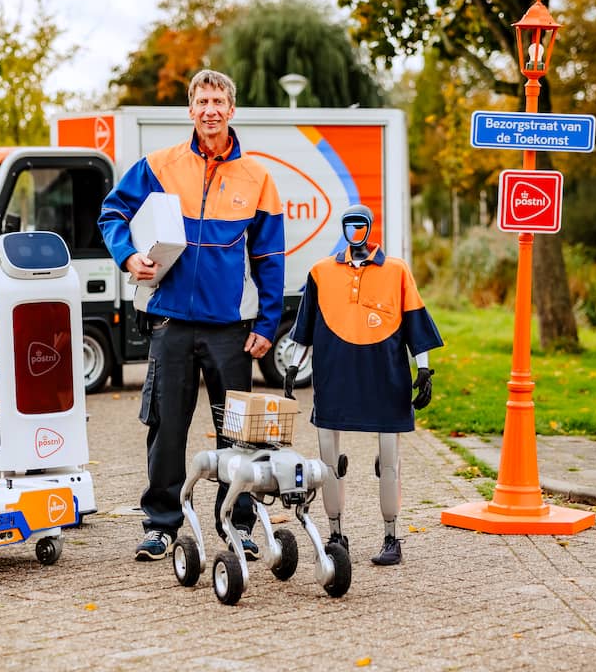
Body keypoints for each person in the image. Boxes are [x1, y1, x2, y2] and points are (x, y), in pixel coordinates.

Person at [98, 69, 285, 562]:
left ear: (232, 109)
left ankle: (238, 525)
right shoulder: (158, 166)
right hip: (169, 322)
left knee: (238, 433)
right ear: (190, 109)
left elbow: (269, 257)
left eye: (219, 100)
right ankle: (161, 524)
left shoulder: (258, 178)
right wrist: (128, 256)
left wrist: (267, 324)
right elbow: (112, 214)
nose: (210, 110)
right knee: (166, 426)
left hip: (230, 328)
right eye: (202, 101)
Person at [285, 204, 442, 566]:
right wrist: (293, 366)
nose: (355, 230)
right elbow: (305, 327)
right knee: (328, 463)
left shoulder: (397, 270)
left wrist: (425, 371)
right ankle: (336, 535)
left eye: (360, 224)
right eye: (349, 224)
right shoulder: (321, 272)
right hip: (334, 378)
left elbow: (416, 323)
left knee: (389, 462)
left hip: (386, 378)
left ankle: (391, 537)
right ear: (343, 228)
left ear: (370, 227)